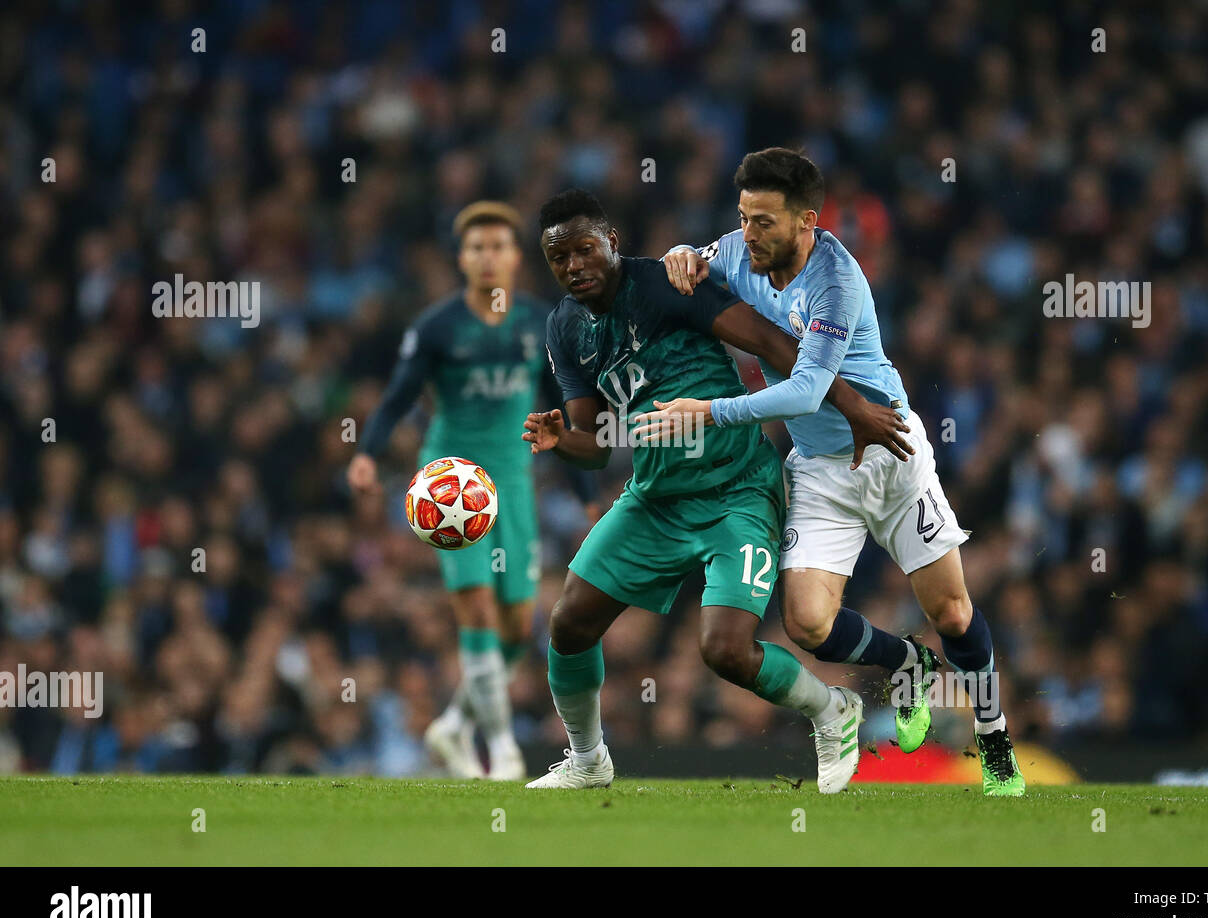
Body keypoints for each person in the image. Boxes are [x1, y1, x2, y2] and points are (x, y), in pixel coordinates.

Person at [650, 148, 1025, 796]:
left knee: (955, 614)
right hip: (823, 470)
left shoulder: (837, 279)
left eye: (764, 221)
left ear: (807, 222)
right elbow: (692, 257)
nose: (749, 233)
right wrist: (681, 254)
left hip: (892, 452)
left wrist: (709, 411)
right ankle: (907, 663)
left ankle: (994, 740)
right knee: (806, 625)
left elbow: (806, 389)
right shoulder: (740, 252)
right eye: (743, 218)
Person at [522, 188, 910, 793]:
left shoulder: (662, 286)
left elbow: (775, 345)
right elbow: (595, 442)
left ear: (611, 243)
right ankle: (588, 760)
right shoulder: (565, 326)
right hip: (655, 498)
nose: (574, 266)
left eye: (584, 249)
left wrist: (854, 404)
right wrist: (559, 440)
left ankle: (832, 709)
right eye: (559, 259)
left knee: (724, 650)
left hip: (737, 491)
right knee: (569, 622)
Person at [348, 201, 593, 781]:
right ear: (462, 258)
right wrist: (366, 452)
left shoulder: (539, 322)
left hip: (512, 479)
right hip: (450, 484)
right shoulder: (436, 327)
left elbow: (562, 406)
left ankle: (454, 725)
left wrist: (584, 484)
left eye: (498, 246)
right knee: (477, 609)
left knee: (515, 624)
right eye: (476, 247)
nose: (487, 256)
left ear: (514, 256)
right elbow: (397, 398)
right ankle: (501, 748)